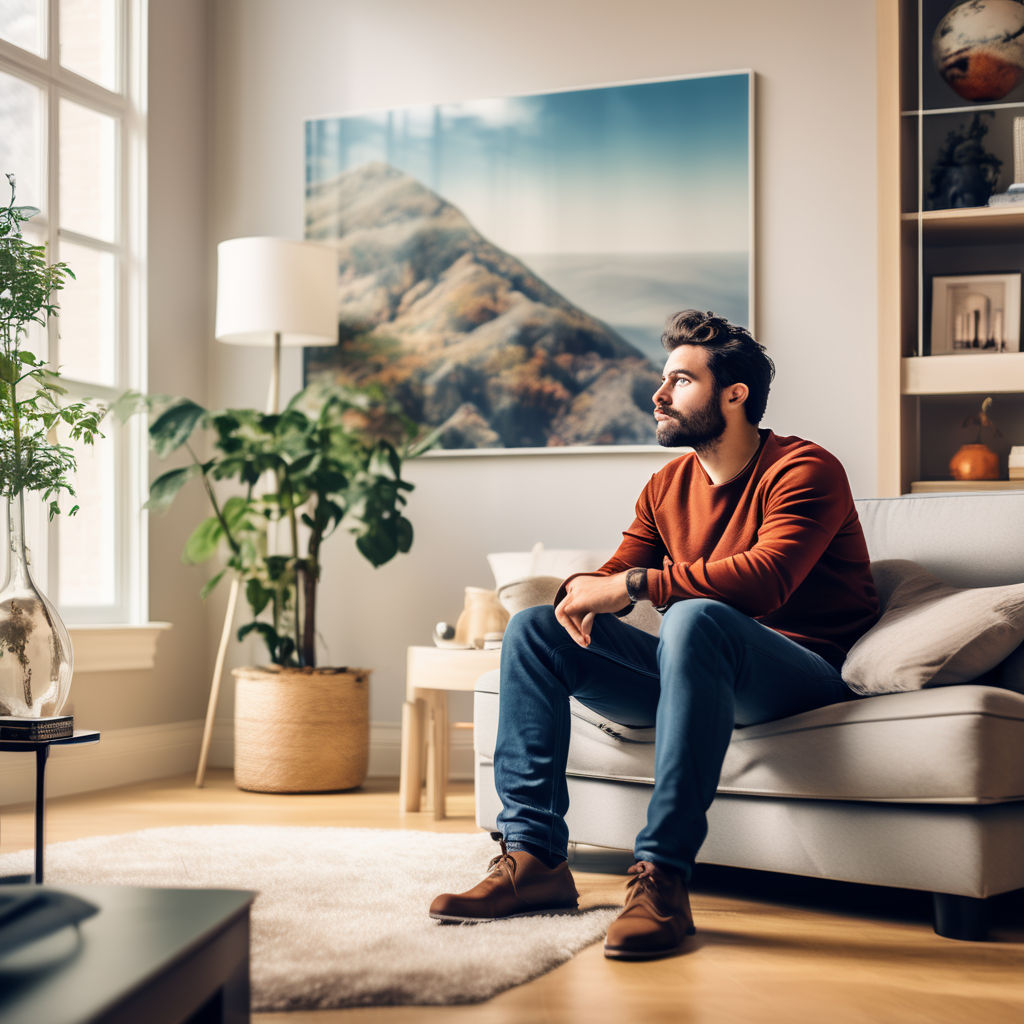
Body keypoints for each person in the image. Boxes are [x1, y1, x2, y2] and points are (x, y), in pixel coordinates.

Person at [429, 309, 879, 960]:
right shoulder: (668, 485)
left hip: (798, 674)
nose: (658, 394)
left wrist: (637, 586)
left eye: (680, 380)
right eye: (662, 379)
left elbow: (766, 581)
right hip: (693, 670)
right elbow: (612, 574)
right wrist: (579, 593)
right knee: (533, 630)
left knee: (694, 614)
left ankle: (662, 878)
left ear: (734, 395)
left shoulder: (805, 469)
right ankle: (534, 864)